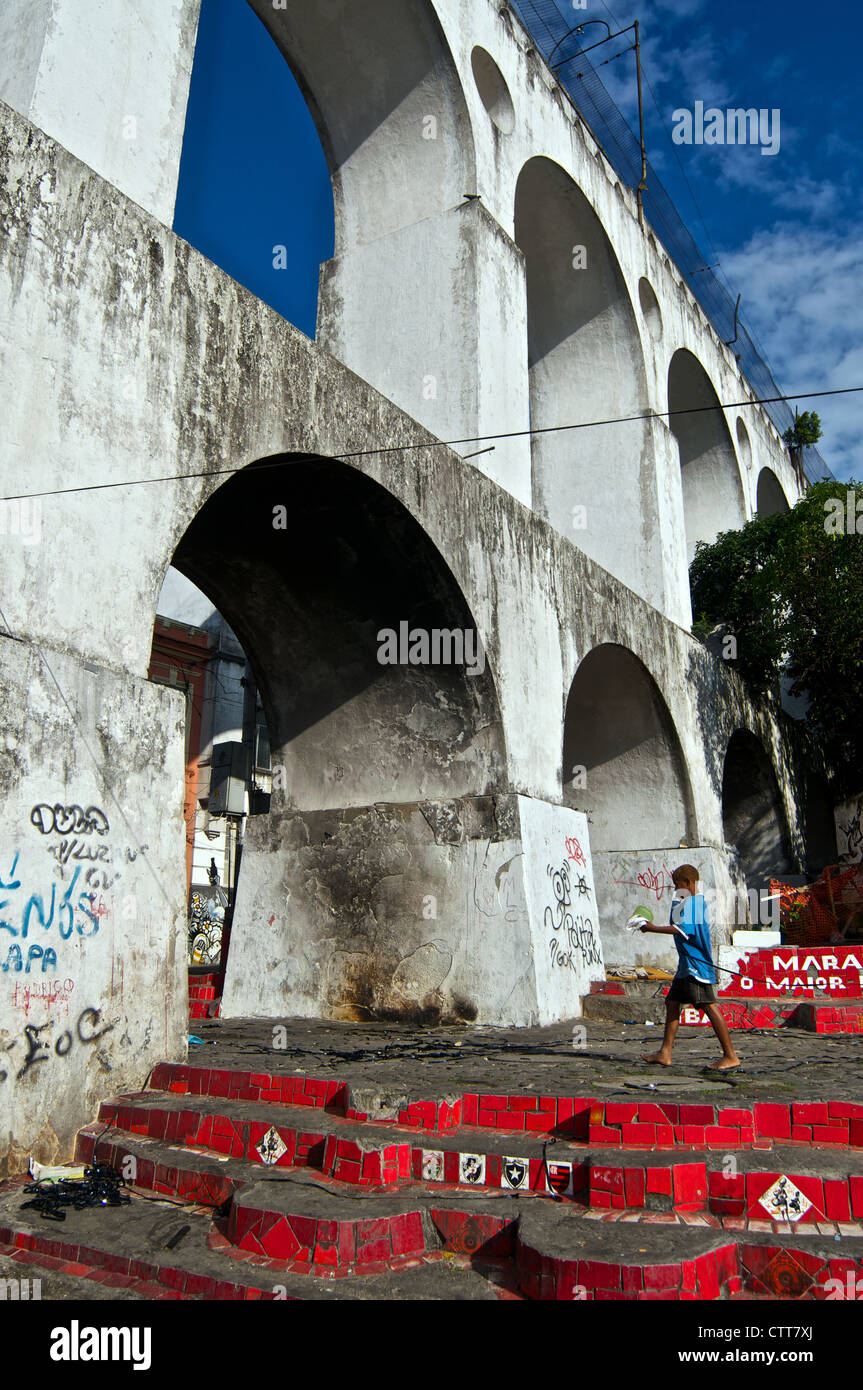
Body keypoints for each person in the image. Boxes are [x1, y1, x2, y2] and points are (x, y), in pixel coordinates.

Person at [640, 864, 740, 1072]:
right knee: (672, 1003)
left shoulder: (694, 904)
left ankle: (730, 1055)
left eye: (677, 885)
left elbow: (682, 930)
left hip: (696, 967)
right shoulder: (689, 903)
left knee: (709, 1006)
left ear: (687, 883)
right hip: (686, 967)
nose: (676, 889)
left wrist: (652, 928)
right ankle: (665, 1053)